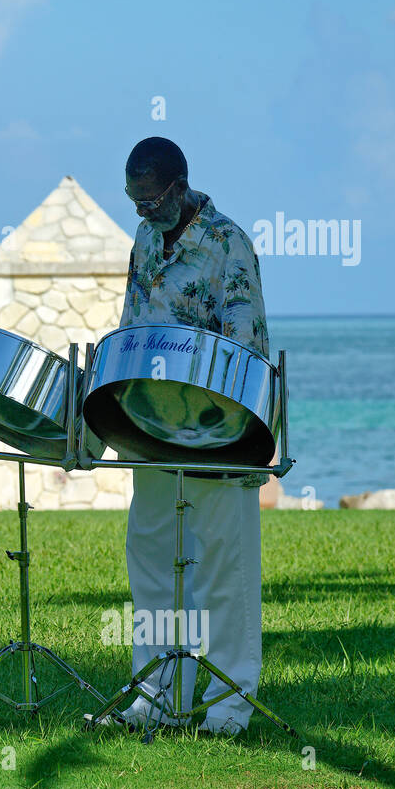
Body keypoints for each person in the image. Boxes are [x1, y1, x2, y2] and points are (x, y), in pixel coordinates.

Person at [115, 136, 269, 735]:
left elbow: (245, 347)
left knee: (220, 570)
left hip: (214, 429)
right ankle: (156, 694)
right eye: (134, 202)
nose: (142, 212)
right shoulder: (146, 237)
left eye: (150, 201)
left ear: (179, 188)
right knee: (152, 562)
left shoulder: (229, 245)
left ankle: (229, 704)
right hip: (152, 427)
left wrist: (227, 425)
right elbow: (131, 322)